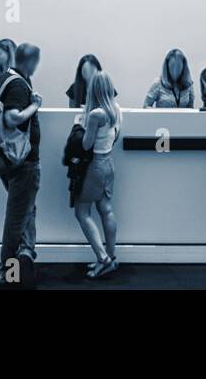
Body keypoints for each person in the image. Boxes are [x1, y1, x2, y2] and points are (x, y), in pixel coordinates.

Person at [0, 42, 42, 284]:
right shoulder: (17, 84)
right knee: (17, 218)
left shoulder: (7, 78)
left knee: (26, 210)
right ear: (31, 61)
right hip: (23, 161)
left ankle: (26, 256)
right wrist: (35, 106)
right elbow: (11, 117)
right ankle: (9, 271)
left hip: (14, 160)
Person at [75, 69, 120, 279]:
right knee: (106, 209)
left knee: (82, 213)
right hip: (109, 163)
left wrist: (80, 124)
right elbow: (116, 136)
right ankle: (111, 257)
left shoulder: (95, 114)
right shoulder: (115, 109)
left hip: (94, 166)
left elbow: (86, 145)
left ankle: (102, 259)